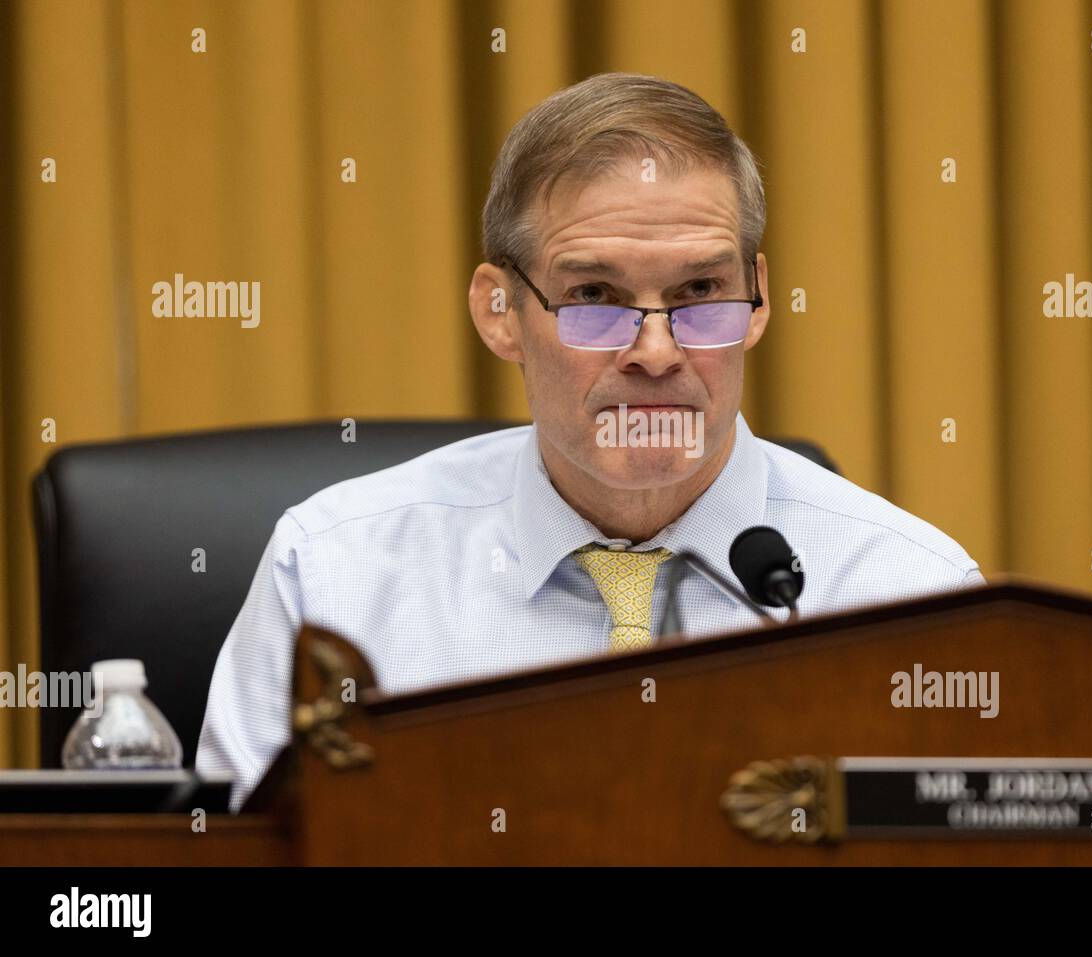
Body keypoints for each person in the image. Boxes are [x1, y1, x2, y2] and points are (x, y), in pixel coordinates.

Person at [197, 72, 983, 811]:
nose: (656, 351)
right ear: (499, 309)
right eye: (594, 296)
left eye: (701, 292)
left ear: (760, 301)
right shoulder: (337, 573)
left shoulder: (908, 594)